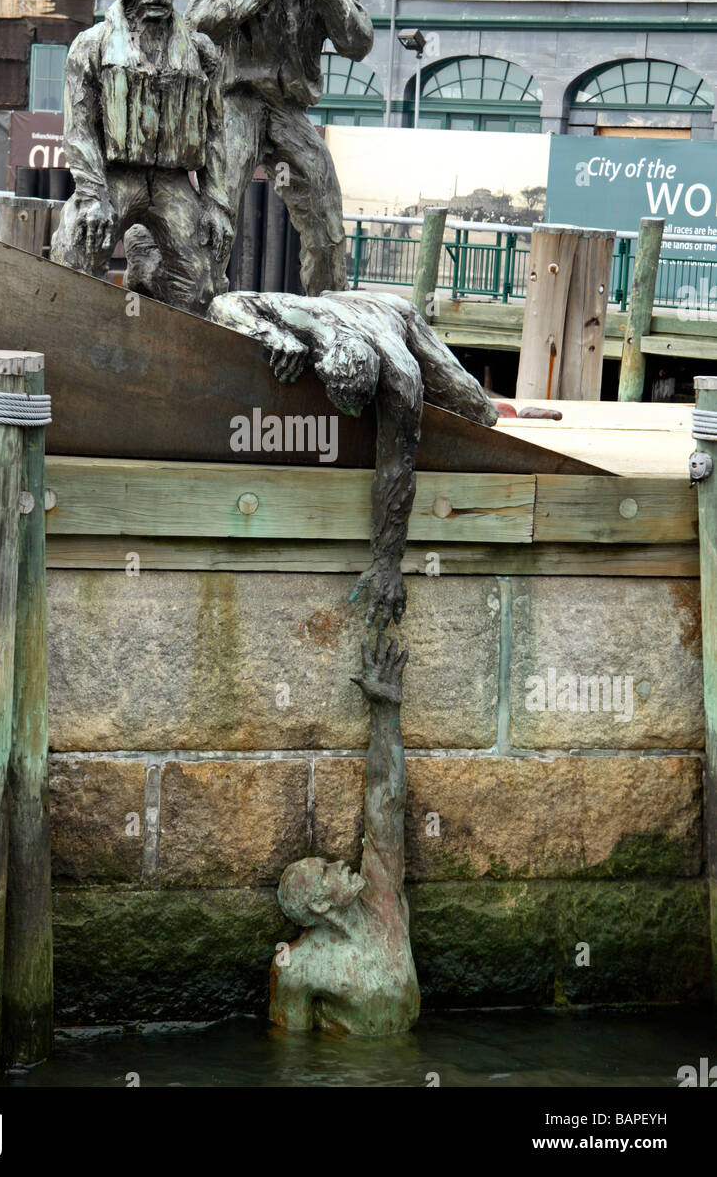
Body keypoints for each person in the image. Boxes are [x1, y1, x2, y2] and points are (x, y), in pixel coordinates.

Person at [207, 288, 497, 628]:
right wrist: (272, 335)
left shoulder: (400, 374)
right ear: (323, 364)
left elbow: (398, 463)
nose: (355, 415)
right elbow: (223, 304)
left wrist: (387, 561)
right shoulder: (301, 320)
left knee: (479, 412)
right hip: (338, 305)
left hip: (392, 312)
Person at [186, 0, 374, 296]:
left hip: (289, 110)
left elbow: (359, 43)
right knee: (219, 210)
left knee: (324, 208)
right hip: (236, 103)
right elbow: (197, 23)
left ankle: (331, 314)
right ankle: (201, 305)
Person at [50, 0, 232, 315]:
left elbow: (215, 132)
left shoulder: (201, 53)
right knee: (78, 247)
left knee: (204, 278)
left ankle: (152, 298)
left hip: (174, 183)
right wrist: (92, 196)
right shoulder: (92, 46)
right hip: (115, 179)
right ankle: (78, 341)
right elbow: (80, 130)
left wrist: (216, 203)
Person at [270, 634, 420, 1036]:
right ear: (319, 905)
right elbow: (290, 1059)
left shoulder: (383, 901)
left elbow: (386, 801)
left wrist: (386, 712)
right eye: (325, 871)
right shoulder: (299, 968)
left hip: (404, 1070)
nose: (339, 862)